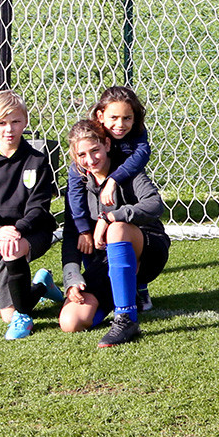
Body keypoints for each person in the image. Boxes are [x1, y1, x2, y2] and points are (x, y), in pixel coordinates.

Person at [58, 119, 171, 347]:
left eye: (95, 150)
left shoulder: (127, 171)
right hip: (107, 262)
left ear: (107, 145)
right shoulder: (78, 184)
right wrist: (72, 278)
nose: (90, 160)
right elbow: (71, 233)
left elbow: (155, 205)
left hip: (147, 248)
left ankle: (126, 318)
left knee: (117, 230)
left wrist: (110, 217)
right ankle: (126, 295)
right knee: (71, 322)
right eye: (82, 155)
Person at [0, 90, 59, 340]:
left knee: (14, 248)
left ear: (25, 122)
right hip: (1, 238)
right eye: (2, 123)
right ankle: (42, 284)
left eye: (15, 122)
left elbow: (39, 207)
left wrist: (18, 228)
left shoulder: (36, 161)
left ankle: (24, 318)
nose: (9, 129)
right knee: (7, 314)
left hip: (33, 232)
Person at [84, 85, 153, 310]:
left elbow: (143, 155)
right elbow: (76, 176)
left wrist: (114, 179)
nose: (120, 125)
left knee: (118, 227)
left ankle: (138, 286)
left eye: (127, 118)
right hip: (98, 201)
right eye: (114, 117)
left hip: (126, 200)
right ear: (100, 115)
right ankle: (85, 284)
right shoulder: (90, 137)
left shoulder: (136, 135)